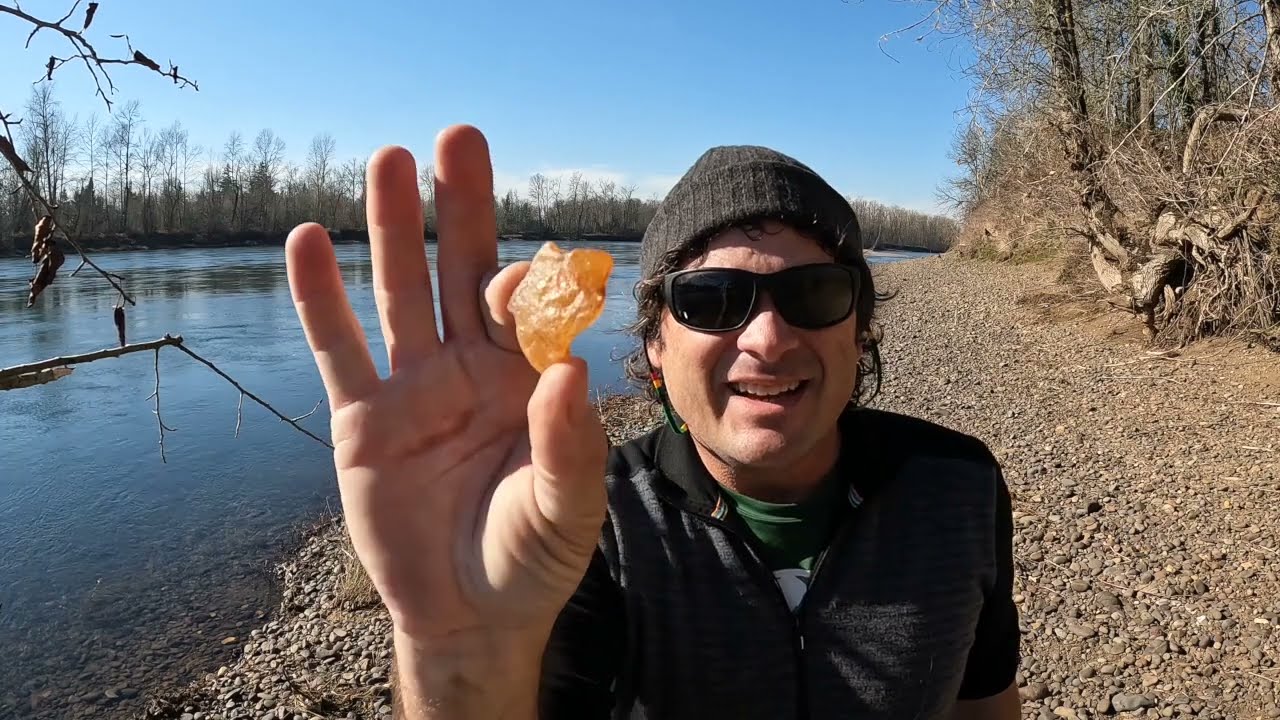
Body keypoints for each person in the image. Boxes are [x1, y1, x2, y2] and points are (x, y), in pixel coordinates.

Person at [285, 125, 1021, 720]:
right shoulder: (584, 524)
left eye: (816, 292)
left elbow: (984, 701)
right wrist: (457, 654)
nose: (767, 339)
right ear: (654, 347)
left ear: (860, 329)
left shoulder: (955, 488)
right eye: (710, 299)